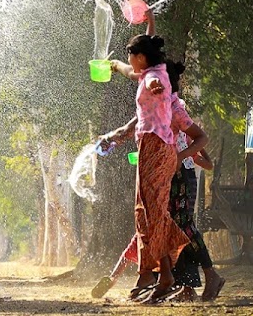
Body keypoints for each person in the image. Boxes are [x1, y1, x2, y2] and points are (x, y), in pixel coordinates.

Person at [94, 60, 224, 302]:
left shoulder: (172, 107)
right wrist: (112, 139)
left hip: (178, 174)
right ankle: (169, 280)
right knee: (162, 225)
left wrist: (181, 155)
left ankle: (199, 277)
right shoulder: (155, 106)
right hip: (163, 172)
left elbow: (202, 146)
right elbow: (132, 126)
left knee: (181, 227)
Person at [99, 34, 189, 304]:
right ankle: (153, 274)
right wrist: (114, 64)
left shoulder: (155, 78)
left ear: (140, 57)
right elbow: (131, 72)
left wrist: (153, 84)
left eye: (130, 56)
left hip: (157, 148)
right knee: (144, 212)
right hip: (150, 147)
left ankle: (164, 275)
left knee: (153, 212)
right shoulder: (148, 71)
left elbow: (154, 83)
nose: (129, 62)